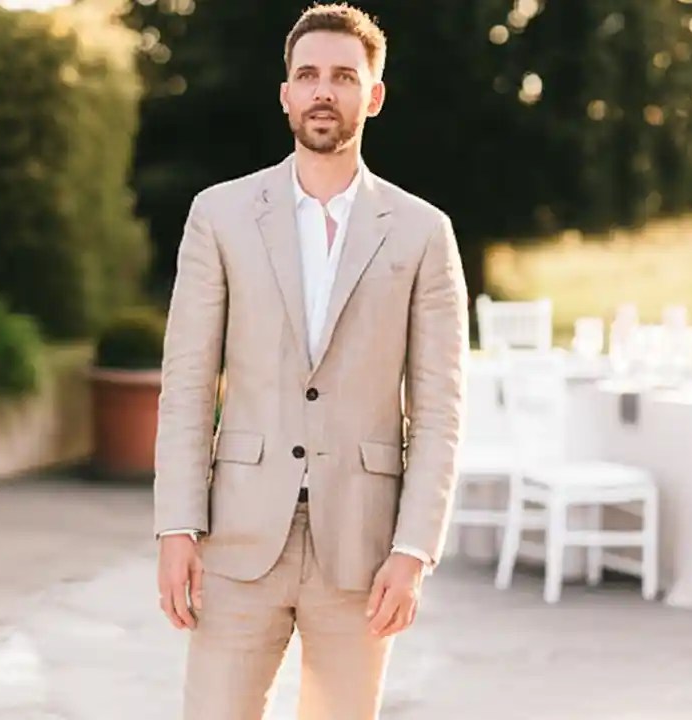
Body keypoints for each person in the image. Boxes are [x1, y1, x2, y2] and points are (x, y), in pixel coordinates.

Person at [153, 3, 468, 718]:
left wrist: (414, 550)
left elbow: (441, 409)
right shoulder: (220, 215)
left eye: (344, 77)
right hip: (236, 542)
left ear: (374, 95)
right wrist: (176, 528)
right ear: (286, 93)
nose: (324, 91)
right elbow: (188, 384)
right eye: (309, 76)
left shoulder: (423, 233)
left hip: (362, 552)